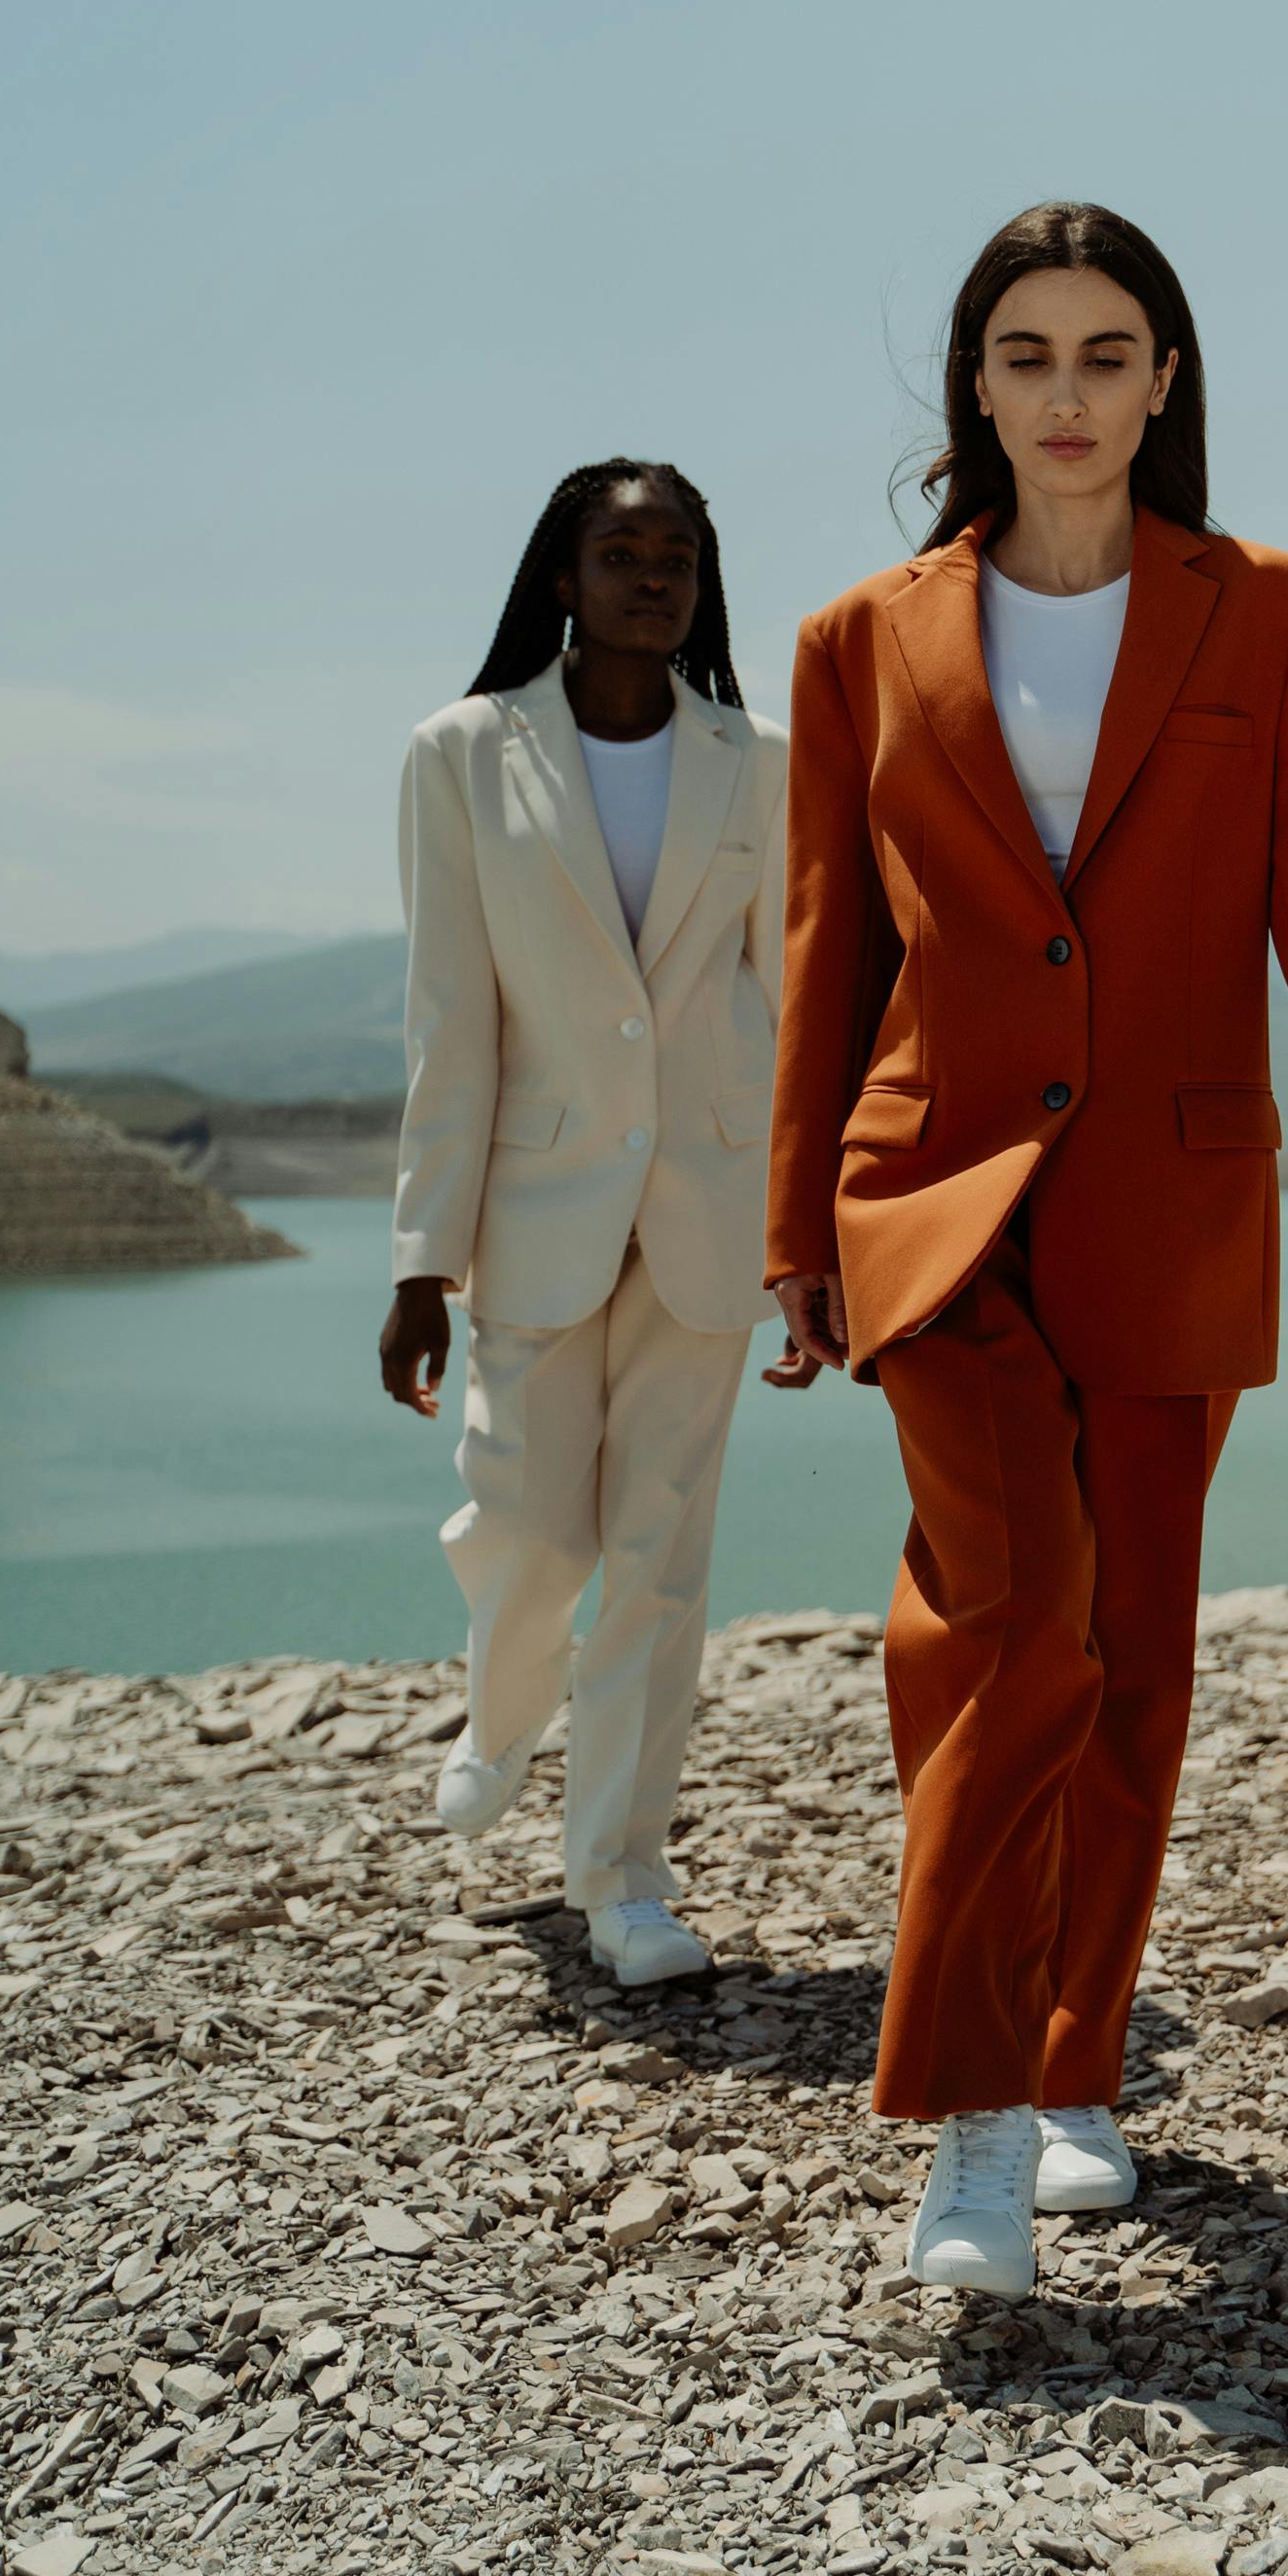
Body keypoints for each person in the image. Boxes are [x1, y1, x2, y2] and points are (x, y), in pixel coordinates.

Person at [767, 200, 1288, 2300]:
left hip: (1173, 1187)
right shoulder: (855, 638)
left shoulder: (1282, 613)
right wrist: (797, 1222)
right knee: (1013, 1611)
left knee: (1131, 1645)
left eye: (1108, 352)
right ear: (976, 383)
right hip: (932, 1193)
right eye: (1029, 353)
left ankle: (1079, 2067)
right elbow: (828, 947)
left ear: (1167, 382)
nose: (1069, 393)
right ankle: (967, 2121)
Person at [380, 461, 814, 1987]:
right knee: (525, 1524)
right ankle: (501, 1714)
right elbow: (449, 1015)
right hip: (536, 1206)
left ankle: (622, 1877)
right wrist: (421, 1258)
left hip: (705, 1212)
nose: (651, 576)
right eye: (618, 550)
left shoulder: (759, 760)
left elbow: (798, 1004)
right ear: (560, 576)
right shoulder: (460, 755)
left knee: (657, 1558)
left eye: (676, 554)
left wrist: (801, 1236)